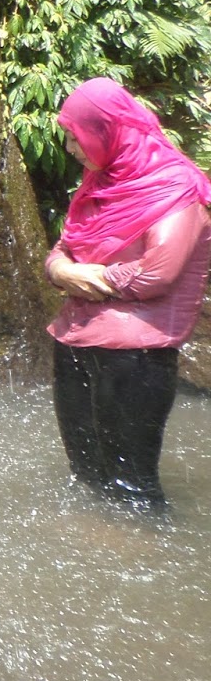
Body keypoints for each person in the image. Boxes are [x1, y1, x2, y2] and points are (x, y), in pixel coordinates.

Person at [45, 77, 211, 506]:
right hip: (76, 343)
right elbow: (65, 246)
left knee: (132, 486)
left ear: (108, 131)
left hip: (136, 357)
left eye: (76, 137)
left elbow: (160, 272)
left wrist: (94, 278)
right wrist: (63, 269)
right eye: (68, 137)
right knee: (86, 475)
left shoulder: (175, 186)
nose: (71, 149)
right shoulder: (100, 182)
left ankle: (150, 557)